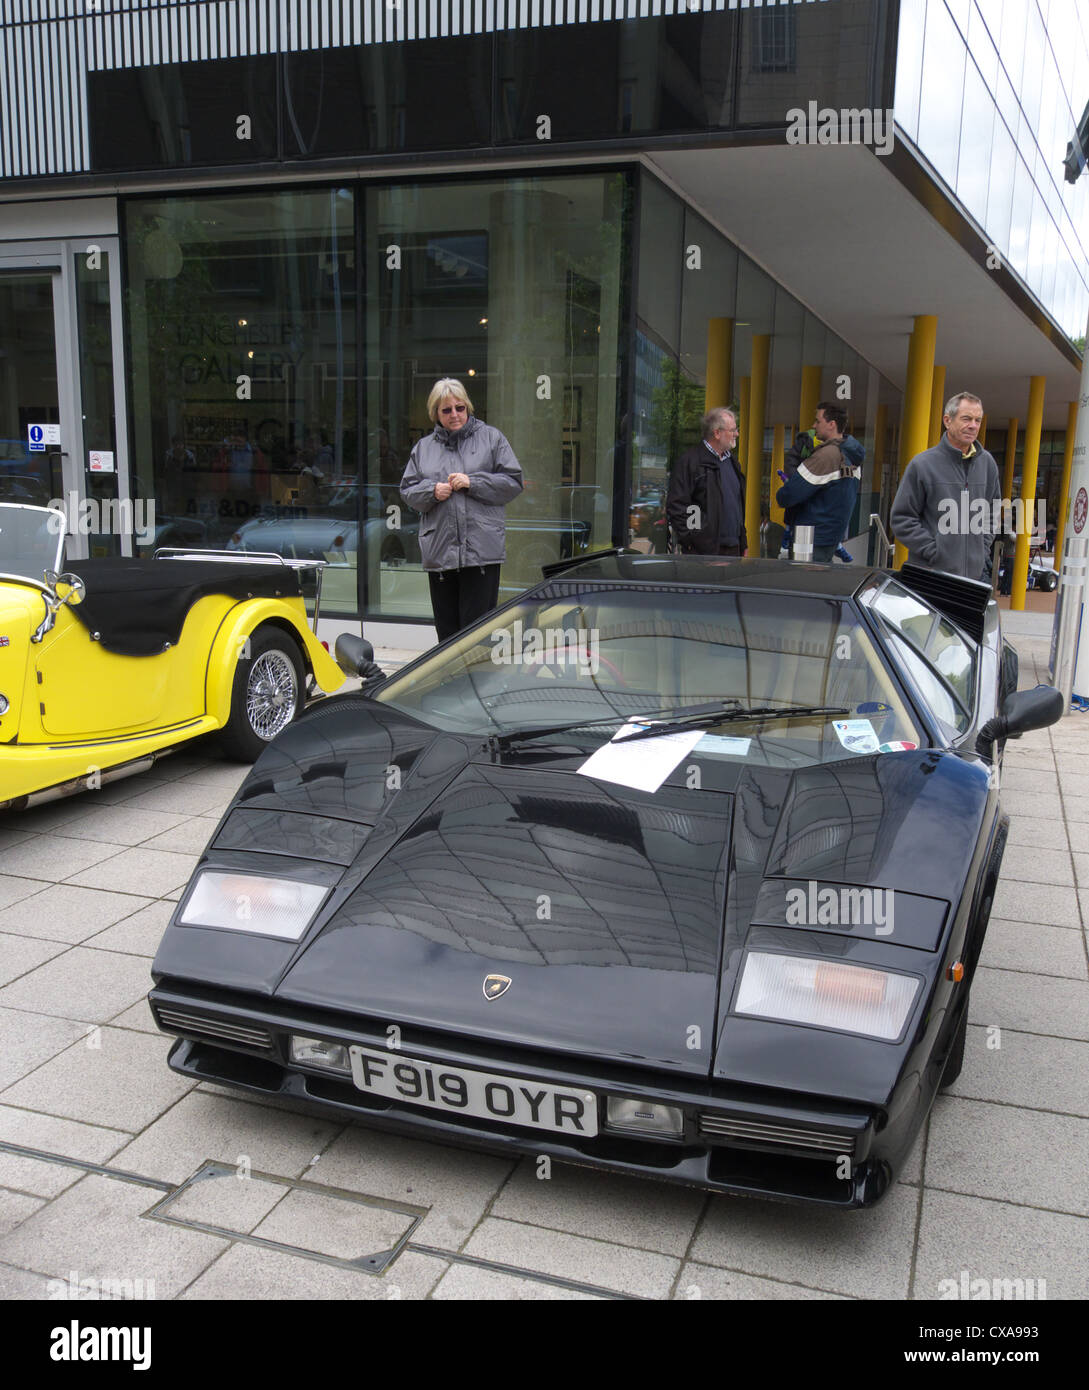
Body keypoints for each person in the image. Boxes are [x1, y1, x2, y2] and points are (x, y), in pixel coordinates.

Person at [400, 377, 523, 643]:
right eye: (446, 410)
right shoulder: (423, 448)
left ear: (468, 407)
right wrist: (432, 491)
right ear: (436, 413)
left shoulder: (492, 438)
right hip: (441, 553)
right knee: (447, 635)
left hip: (481, 552)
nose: (454, 414)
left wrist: (473, 482)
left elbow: (513, 483)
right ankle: (451, 683)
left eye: (460, 407)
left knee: (478, 635)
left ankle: (478, 683)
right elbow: (408, 491)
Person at [890, 392, 1001, 581]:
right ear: (947, 421)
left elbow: (993, 510)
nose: (973, 426)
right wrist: (935, 552)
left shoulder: (987, 463)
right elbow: (902, 518)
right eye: (966, 418)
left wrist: (981, 550)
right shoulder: (923, 464)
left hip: (975, 576)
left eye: (977, 420)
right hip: (931, 575)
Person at [775, 402, 863, 562]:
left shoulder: (826, 456)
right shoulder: (852, 457)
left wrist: (785, 488)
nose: (813, 425)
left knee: (802, 583)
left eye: (818, 421)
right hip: (831, 539)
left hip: (810, 541)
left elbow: (787, 496)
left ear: (832, 424)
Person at [665, 408, 747, 555]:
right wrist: (696, 542)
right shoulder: (691, 463)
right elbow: (680, 506)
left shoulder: (733, 463)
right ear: (717, 433)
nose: (737, 434)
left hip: (733, 550)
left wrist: (743, 542)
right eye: (733, 430)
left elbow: (737, 506)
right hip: (705, 554)